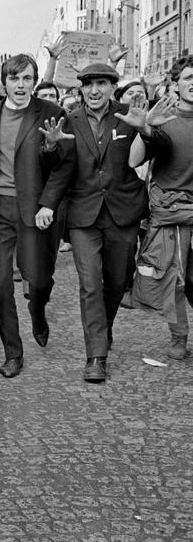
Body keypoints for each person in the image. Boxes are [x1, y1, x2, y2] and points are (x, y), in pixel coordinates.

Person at [37, 63, 149, 383]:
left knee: (116, 281)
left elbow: (155, 151)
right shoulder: (69, 120)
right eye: (88, 84)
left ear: (113, 86)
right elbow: (57, 168)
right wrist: (51, 148)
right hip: (83, 215)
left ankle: (105, 327)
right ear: (81, 89)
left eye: (101, 83)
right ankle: (96, 356)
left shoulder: (129, 115)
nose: (95, 90)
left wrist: (146, 129)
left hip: (122, 213)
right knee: (90, 284)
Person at [0, 54, 67, 378]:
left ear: (34, 81)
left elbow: (63, 167)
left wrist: (48, 204)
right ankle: (13, 352)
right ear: (4, 83)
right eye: (14, 78)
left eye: (26, 78)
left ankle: (38, 310)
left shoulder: (52, 113)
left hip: (35, 208)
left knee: (39, 279)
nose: (20, 85)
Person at [130, 56, 192, 360]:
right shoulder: (163, 118)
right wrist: (144, 128)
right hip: (171, 213)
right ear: (176, 84)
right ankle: (179, 336)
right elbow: (134, 160)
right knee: (174, 280)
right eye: (189, 78)